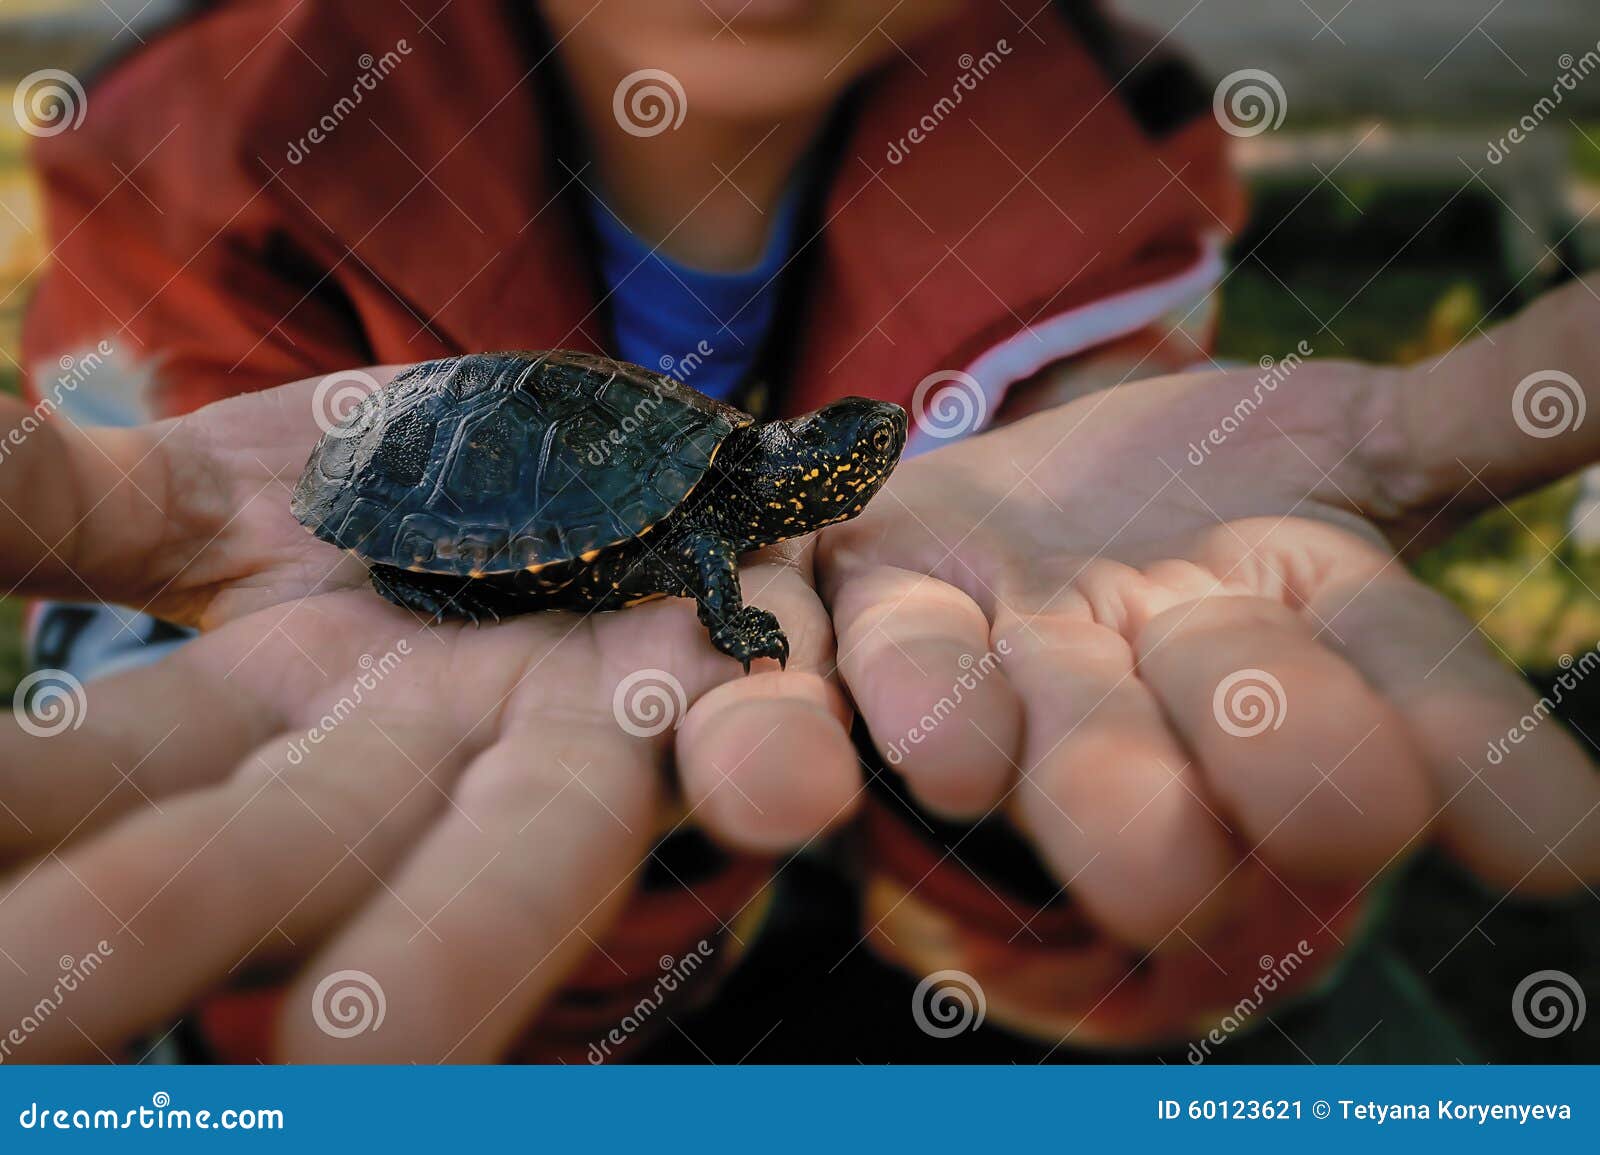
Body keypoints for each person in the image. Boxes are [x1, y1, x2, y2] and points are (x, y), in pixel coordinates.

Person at [5, 0, 1596, 1061]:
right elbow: (702, 550)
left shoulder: (1089, 128)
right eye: (849, 458)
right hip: (520, 998)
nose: (860, 462)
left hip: (915, 938)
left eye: (856, 459)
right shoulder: (221, 139)